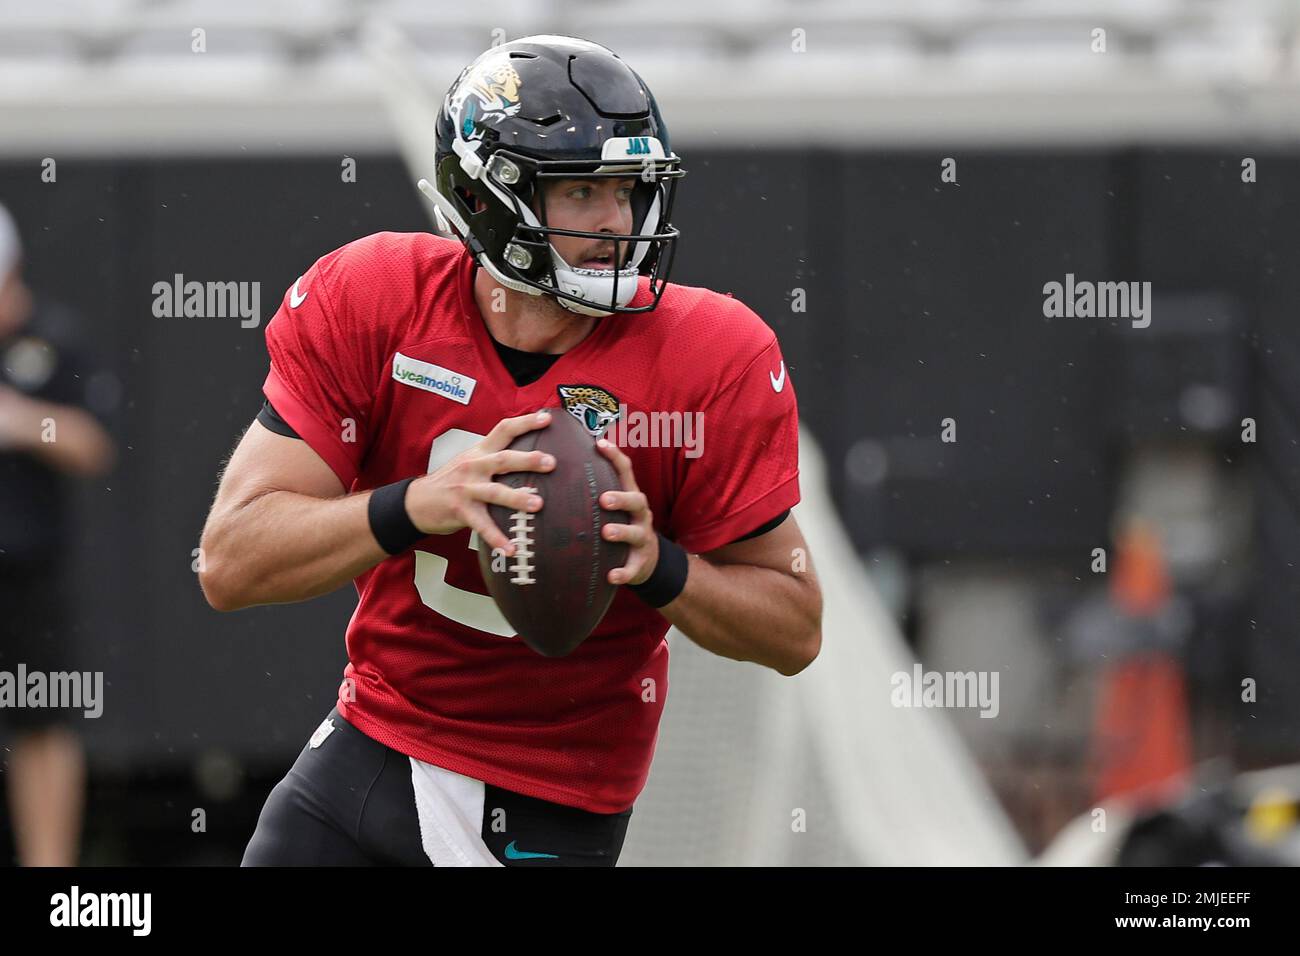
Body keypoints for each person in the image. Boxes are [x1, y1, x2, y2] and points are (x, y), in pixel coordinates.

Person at [199, 35, 822, 867]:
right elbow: (231, 561)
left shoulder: (712, 354)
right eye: (582, 191)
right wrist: (416, 504)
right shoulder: (376, 298)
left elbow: (795, 626)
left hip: (551, 801)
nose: (616, 224)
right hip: (371, 750)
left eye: (629, 192)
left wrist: (658, 564)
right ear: (489, 197)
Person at [0, 201, 115, 866]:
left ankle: (50, 866)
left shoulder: (55, 338)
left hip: (31, 570)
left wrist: (24, 423)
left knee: (42, 722)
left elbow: (92, 443)